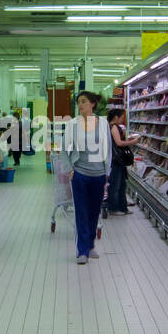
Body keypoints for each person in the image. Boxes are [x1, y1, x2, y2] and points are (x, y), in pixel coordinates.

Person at [66, 90, 111, 265]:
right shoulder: (72, 125)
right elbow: (64, 150)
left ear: (93, 104)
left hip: (98, 174)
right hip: (80, 175)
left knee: (94, 212)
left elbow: (107, 148)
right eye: (78, 102)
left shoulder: (103, 123)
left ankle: (91, 244)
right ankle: (82, 250)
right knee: (81, 213)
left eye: (84, 101)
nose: (80, 105)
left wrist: (107, 171)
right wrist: (70, 169)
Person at [105, 107, 140, 216]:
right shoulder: (114, 127)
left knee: (121, 184)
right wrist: (132, 142)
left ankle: (122, 207)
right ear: (116, 117)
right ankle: (114, 208)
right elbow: (119, 143)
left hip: (116, 159)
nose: (123, 120)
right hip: (116, 160)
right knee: (116, 185)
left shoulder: (110, 127)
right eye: (122, 117)